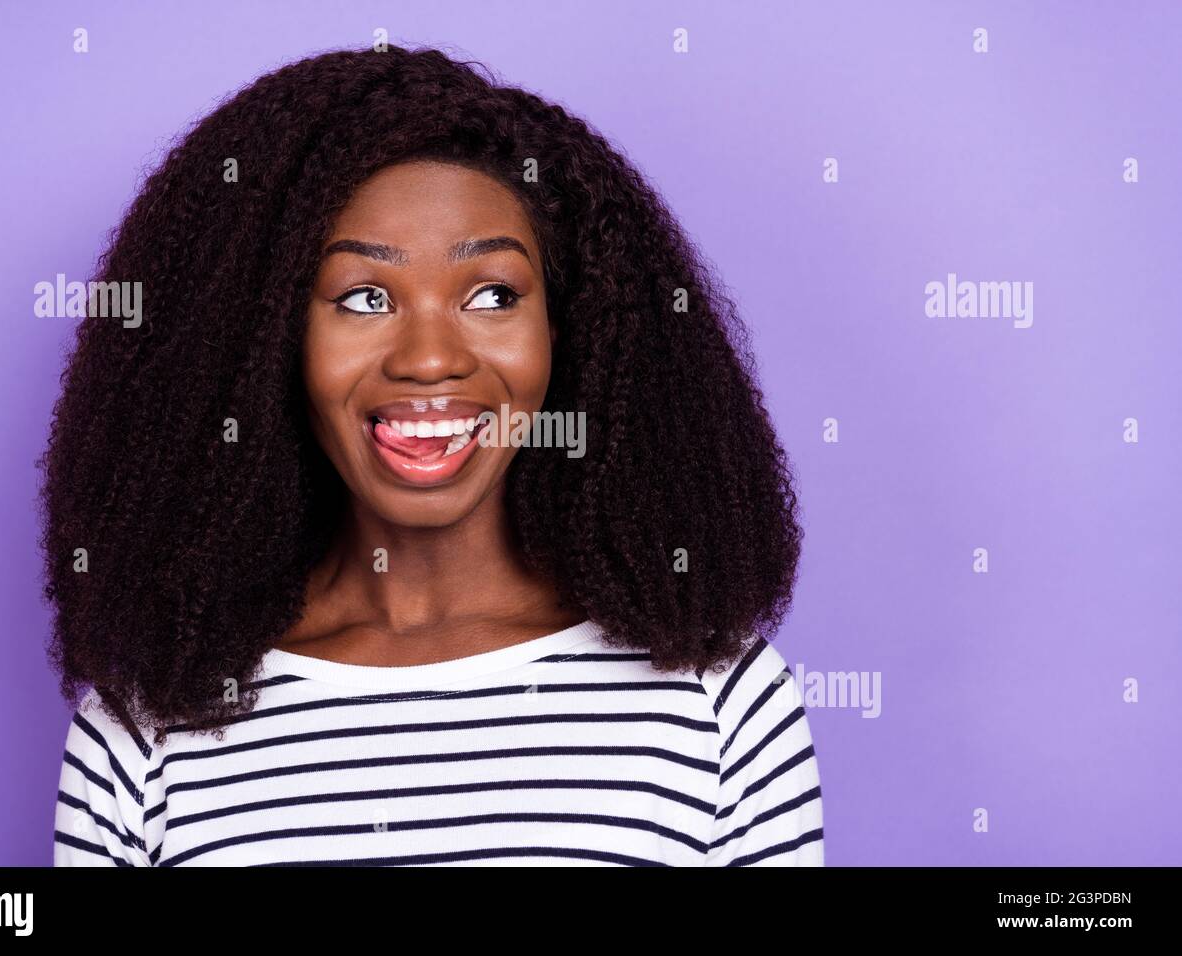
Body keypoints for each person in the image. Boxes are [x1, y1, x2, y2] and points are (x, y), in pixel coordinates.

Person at [43, 44, 822, 866]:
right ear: (269, 339)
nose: (428, 358)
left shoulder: (717, 696)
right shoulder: (151, 722)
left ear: (566, 332)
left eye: (492, 295)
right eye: (363, 298)